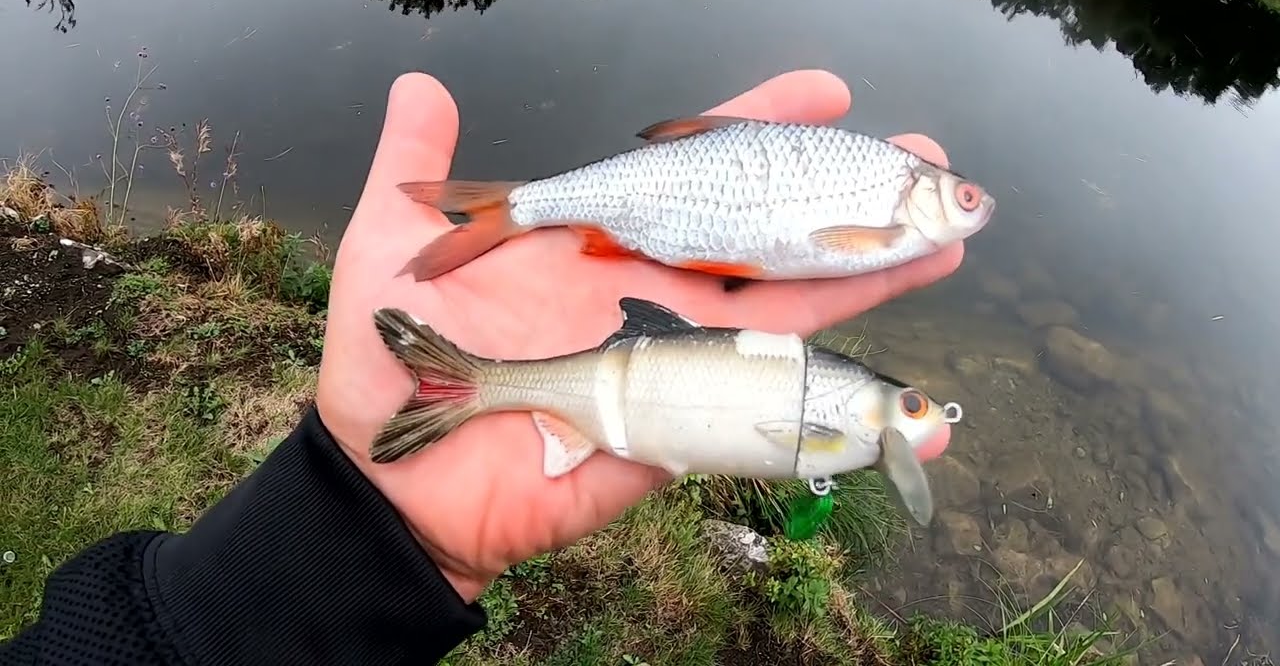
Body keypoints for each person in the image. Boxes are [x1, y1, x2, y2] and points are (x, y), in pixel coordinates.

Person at [1, 70, 963, 665]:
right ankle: (513, 209)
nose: (962, 208)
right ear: (921, 193)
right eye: (959, 199)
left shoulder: (876, 214)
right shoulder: (880, 208)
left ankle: (513, 213)